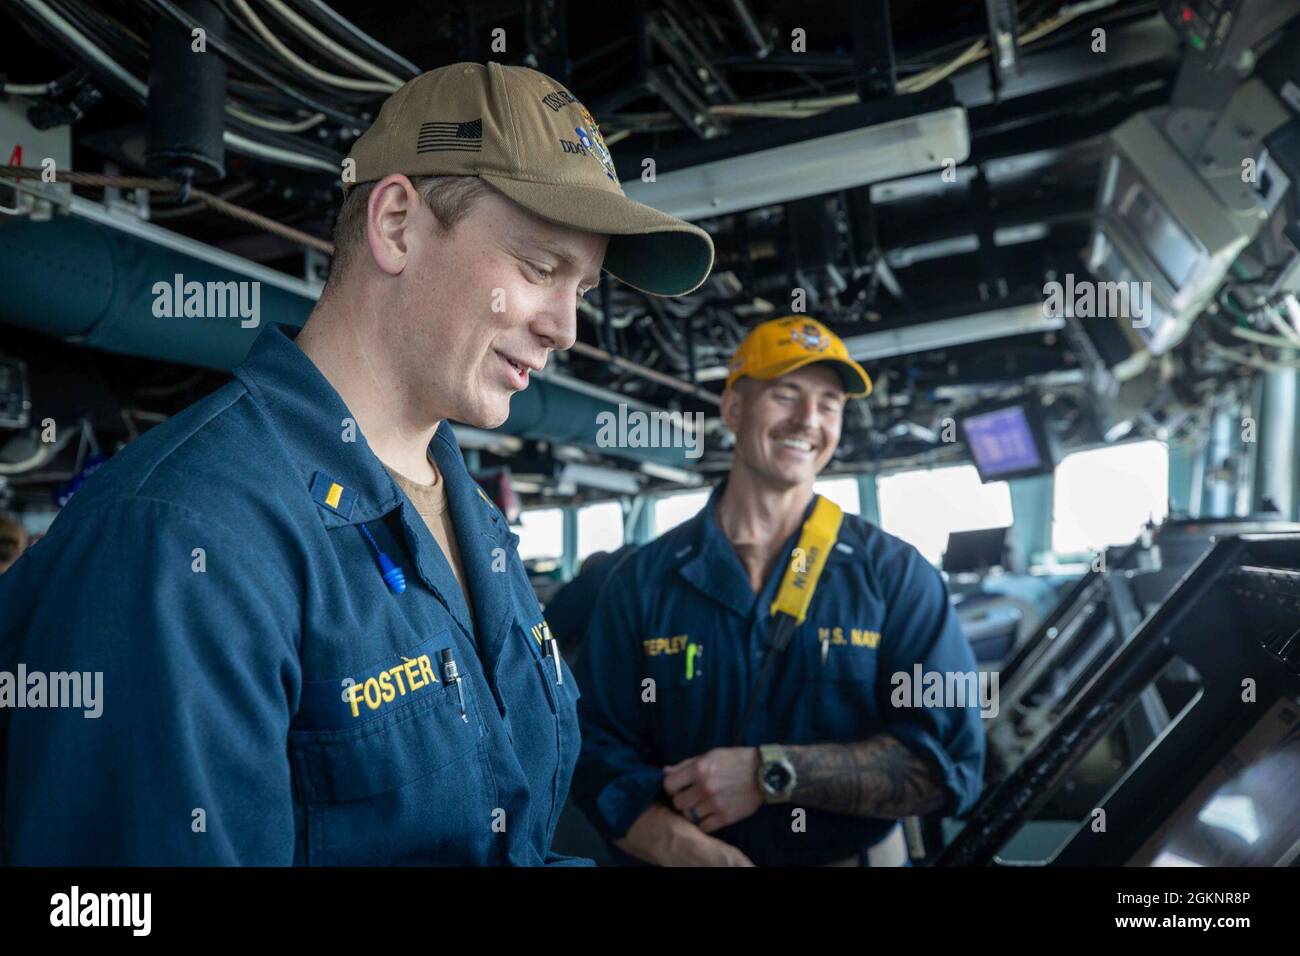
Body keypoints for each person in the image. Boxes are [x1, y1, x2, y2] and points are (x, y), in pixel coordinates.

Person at [0, 61, 713, 865]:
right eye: (541, 269)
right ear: (399, 223)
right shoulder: (181, 541)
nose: (566, 327)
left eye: (580, 286)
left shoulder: (472, 522)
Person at [571, 316, 985, 866]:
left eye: (829, 403)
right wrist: (673, 843)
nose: (808, 420)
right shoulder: (643, 581)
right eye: (786, 395)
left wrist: (770, 773)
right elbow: (590, 749)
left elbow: (949, 766)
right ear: (734, 410)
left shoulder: (896, 576)